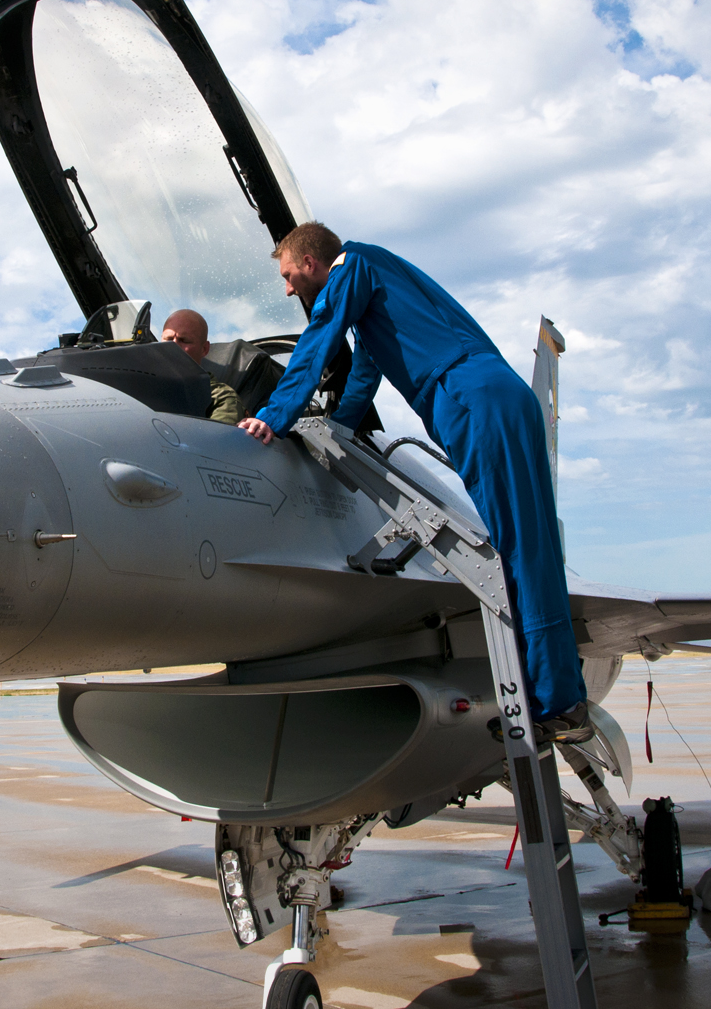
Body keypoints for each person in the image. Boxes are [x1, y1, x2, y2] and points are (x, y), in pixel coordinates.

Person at [237, 223, 590, 740]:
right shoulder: (382, 285)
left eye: (289, 276)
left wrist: (275, 414)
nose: (289, 288)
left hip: (471, 398)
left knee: (519, 548)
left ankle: (558, 703)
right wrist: (342, 428)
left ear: (312, 263)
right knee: (525, 544)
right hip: (488, 395)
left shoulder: (350, 267)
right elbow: (364, 372)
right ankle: (556, 696)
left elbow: (319, 342)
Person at [161, 309, 246, 426]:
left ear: (204, 349)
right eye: (168, 339)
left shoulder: (221, 399)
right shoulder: (140, 383)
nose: (173, 347)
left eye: (184, 340)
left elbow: (214, 441)